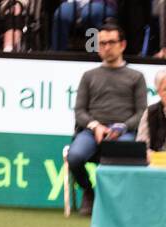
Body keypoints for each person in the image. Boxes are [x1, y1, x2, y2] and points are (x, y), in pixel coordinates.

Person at [68, 20, 147, 216]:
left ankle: (117, 201)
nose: (106, 47)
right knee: (75, 157)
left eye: (111, 42)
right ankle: (89, 191)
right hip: (91, 131)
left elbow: (141, 113)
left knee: (125, 156)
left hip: (124, 133)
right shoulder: (89, 76)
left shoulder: (136, 77)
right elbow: (79, 110)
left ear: (122, 45)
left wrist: (122, 127)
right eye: (102, 43)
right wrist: (95, 126)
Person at [52, 0, 116, 51]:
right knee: (61, 15)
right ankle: (59, 54)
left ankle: (94, 53)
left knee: (90, 13)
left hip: (100, 2)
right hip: (73, 2)